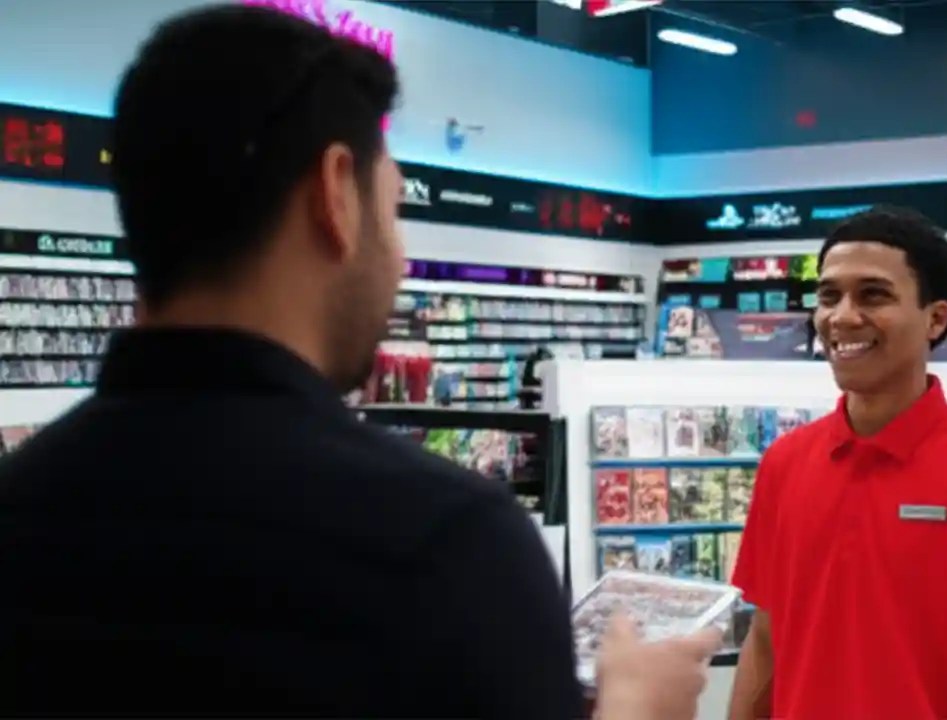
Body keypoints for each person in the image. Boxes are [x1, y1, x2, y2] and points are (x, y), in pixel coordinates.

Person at [0, 6, 717, 717]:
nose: (399, 259)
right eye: (394, 209)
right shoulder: (447, 541)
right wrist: (639, 708)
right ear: (335, 193)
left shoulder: (24, 506)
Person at [727, 206, 947, 720]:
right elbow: (765, 643)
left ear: (936, 317)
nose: (841, 316)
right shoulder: (785, 463)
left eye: (873, 294)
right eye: (828, 296)